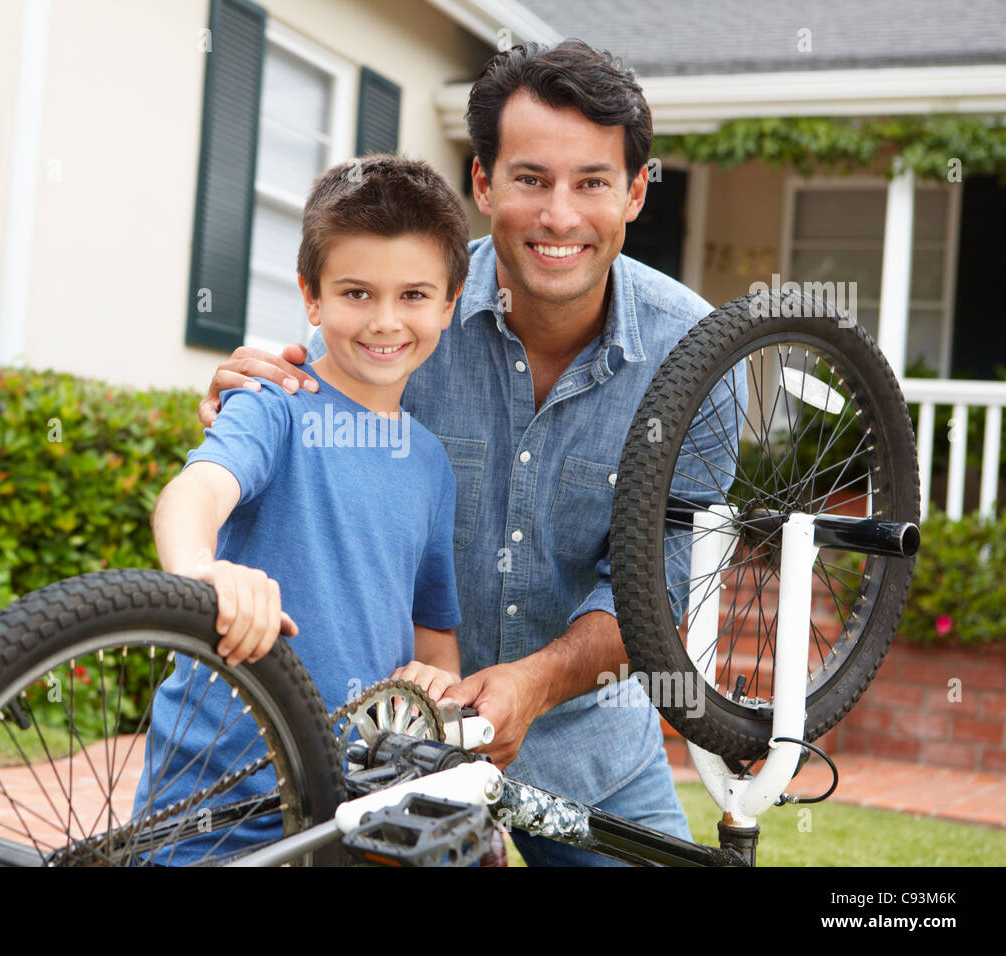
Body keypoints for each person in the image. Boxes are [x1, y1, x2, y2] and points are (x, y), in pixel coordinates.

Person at [197, 39, 742, 866]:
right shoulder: (408, 317)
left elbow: (659, 588)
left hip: (589, 742)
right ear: (483, 183)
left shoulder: (701, 359)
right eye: (530, 179)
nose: (559, 215)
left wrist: (535, 683)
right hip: (394, 742)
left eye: (592, 182)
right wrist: (247, 397)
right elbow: (293, 437)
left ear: (635, 191)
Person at [132, 154, 470, 863]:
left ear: (449, 302)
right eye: (355, 293)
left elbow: (433, 644)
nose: (384, 321)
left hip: (341, 803)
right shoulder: (274, 404)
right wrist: (204, 571)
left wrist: (436, 683)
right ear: (311, 299)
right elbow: (193, 492)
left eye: (413, 295)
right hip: (213, 803)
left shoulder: (432, 466)